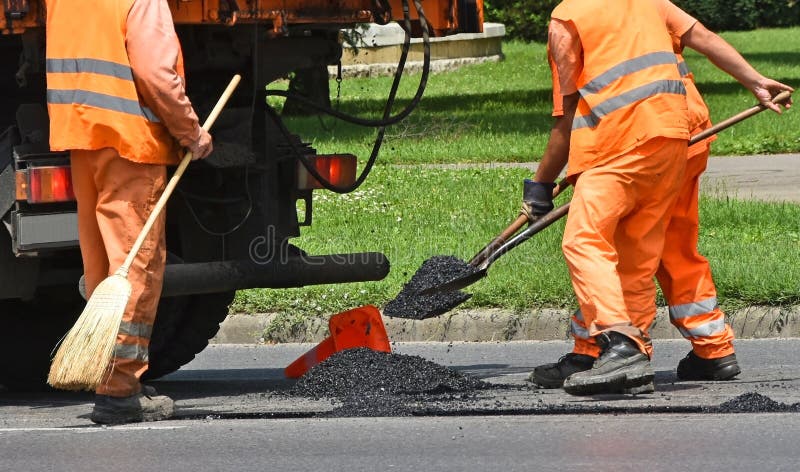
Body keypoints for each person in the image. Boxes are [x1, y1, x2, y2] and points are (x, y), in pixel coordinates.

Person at [526, 0, 793, 394]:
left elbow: (566, 114)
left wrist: (541, 183)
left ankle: (618, 344)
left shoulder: (567, 17)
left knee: (585, 241)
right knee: (638, 251)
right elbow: (703, 36)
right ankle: (623, 355)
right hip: (673, 138)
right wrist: (755, 80)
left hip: (618, 142)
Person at [45, 0, 213, 423]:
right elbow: (156, 74)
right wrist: (190, 132)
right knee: (135, 268)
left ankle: (109, 372)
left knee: (104, 270)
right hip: (130, 145)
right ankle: (120, 390)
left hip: (83, 139)